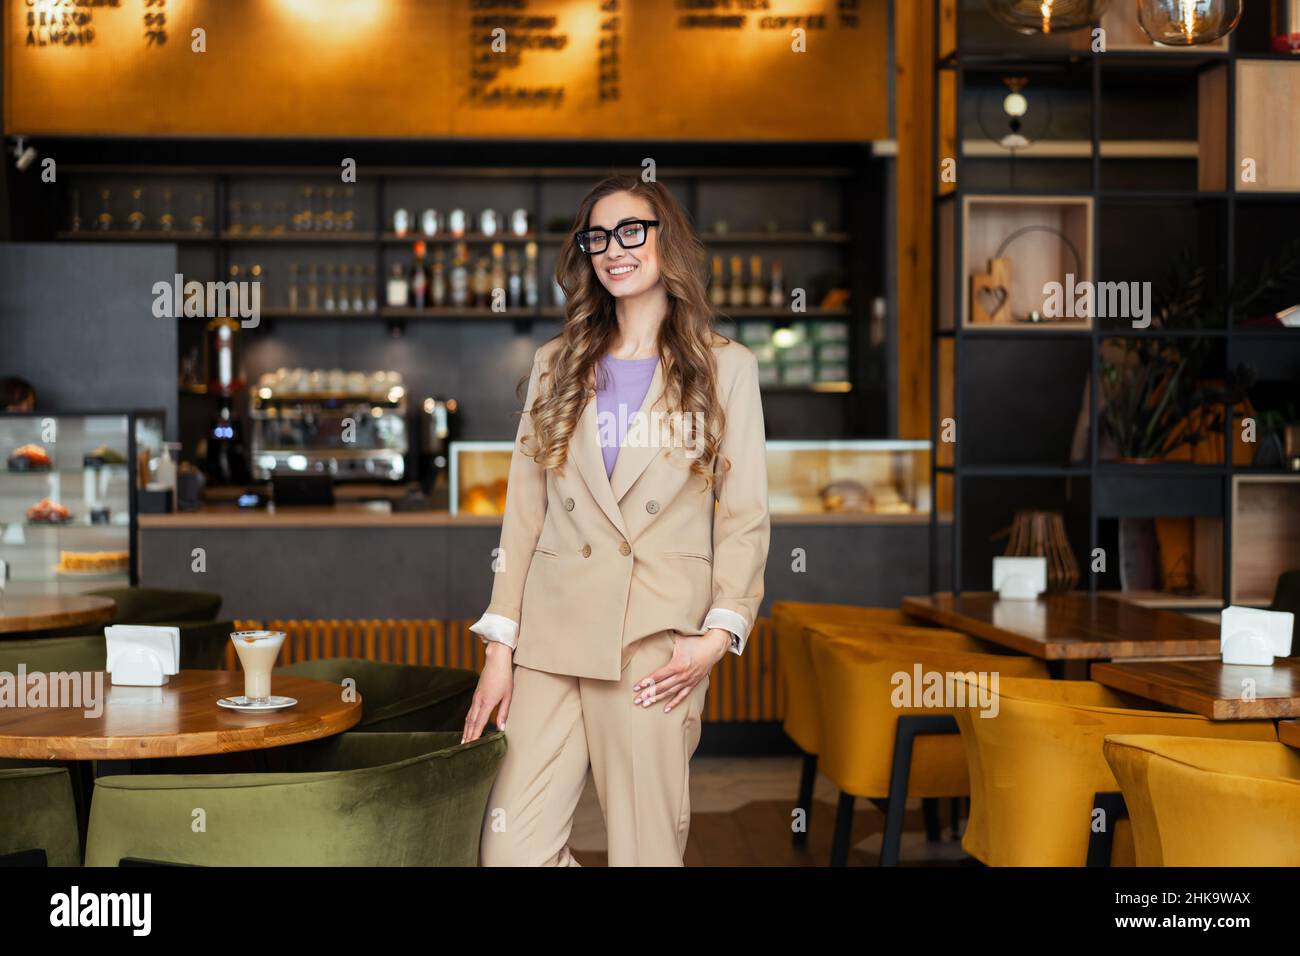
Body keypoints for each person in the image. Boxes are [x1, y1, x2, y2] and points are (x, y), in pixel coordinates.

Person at [462, 174, 770, 866]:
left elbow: (744, 515)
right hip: (550, 635)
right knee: (511, 852)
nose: (613, 249)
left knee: (645, 852)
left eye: (632, 230)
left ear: (669, 243)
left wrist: (719, 634)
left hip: (655, 641)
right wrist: (499, 649)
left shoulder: (727, 370)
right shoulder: (555, 365)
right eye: (597, 236)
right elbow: (524, 516)